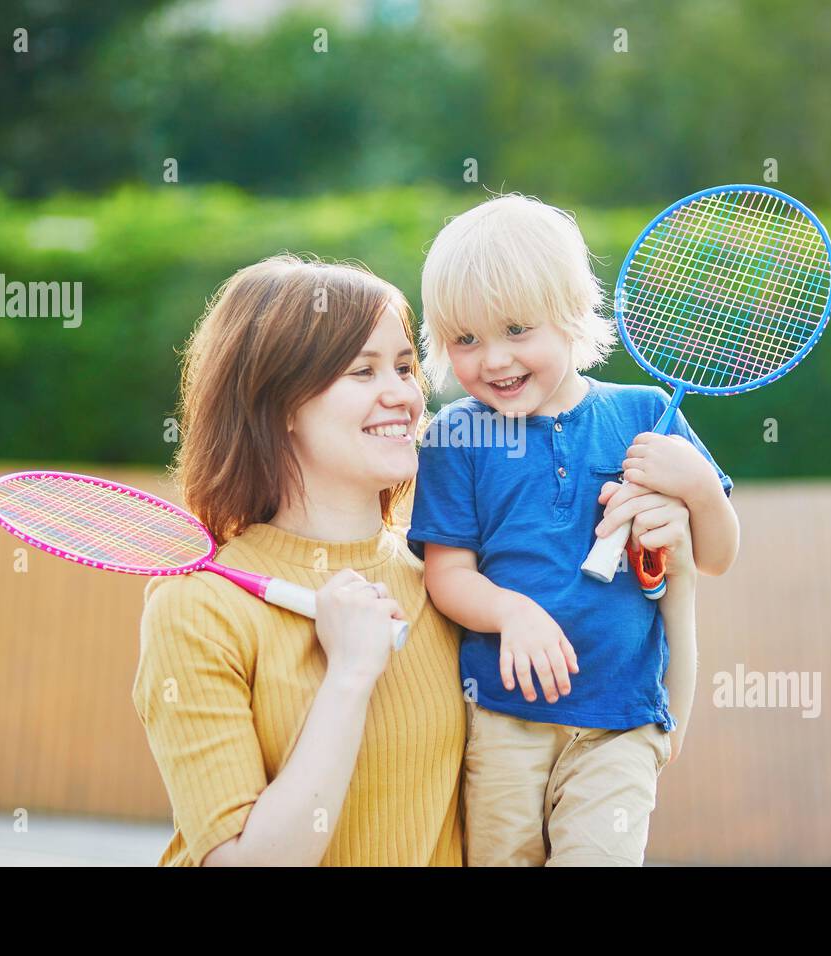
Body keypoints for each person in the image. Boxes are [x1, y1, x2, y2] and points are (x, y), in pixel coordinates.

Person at [409, 194, 740, 866]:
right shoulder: (455, 438)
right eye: (467, 339)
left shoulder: (646, 413)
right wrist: (513, 614)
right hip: (503, 720)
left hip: (620, 721)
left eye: (516, 330)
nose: (494, 359)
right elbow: (448, 575)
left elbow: (717, 557)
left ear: (569, 316)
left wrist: (699, 485)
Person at [132, 255, 464, 866]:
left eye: (405, 367)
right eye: (362, 372)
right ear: (279, 403)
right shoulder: (199, 607)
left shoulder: (450, 582)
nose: (403, 396)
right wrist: (349, 676)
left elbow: (639, 741)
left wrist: (675, 578)